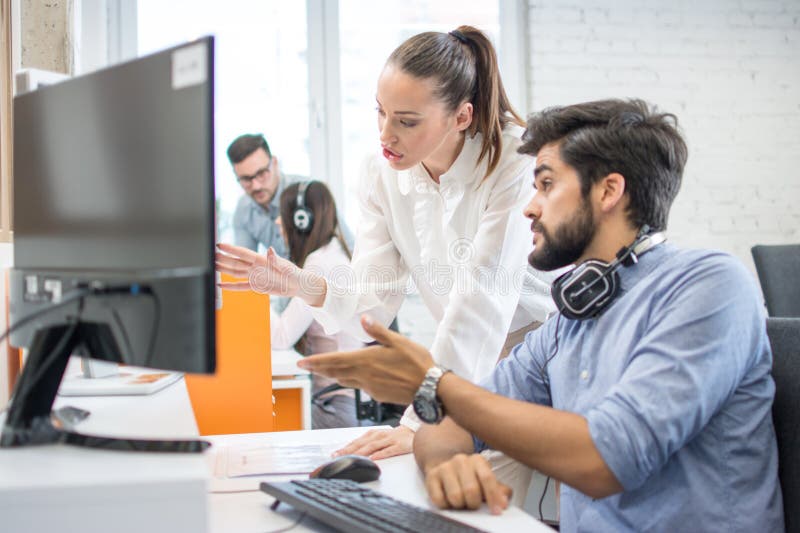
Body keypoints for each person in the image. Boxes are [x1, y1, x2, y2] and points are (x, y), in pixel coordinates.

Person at [296, 99, 785, 531]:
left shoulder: (708, 287)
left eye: (547, 185)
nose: (529, 208)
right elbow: (449, 425)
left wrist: (432, 383)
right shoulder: (571, 319)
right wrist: (446, 464)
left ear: (608, 191)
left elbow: (607, 459)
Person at [216, 26, 557, 461]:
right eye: (381, 112)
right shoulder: (382, 174)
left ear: (462, 116)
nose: (385, 135)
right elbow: (373, 298)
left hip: (538, 353)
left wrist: (419, 423)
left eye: (406, 121)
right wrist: (302, 284)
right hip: (463, 361)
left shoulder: (512, 161)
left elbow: (482, 304)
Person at [269, 180, 367, 429]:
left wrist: (259, 293)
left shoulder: (319, 264)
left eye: (283, 216)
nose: (279, 223)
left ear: (302, 221)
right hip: (345, 401)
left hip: (335, 407)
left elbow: (281, 336)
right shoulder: (335, 253)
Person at [226, 134, 354, 257]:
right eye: (246, 179)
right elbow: (245, 265)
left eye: (261, 173)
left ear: (274, 163)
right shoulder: (243, 210)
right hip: (284, 278)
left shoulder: (307, 193)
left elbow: (349, 248)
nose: (256, 186)